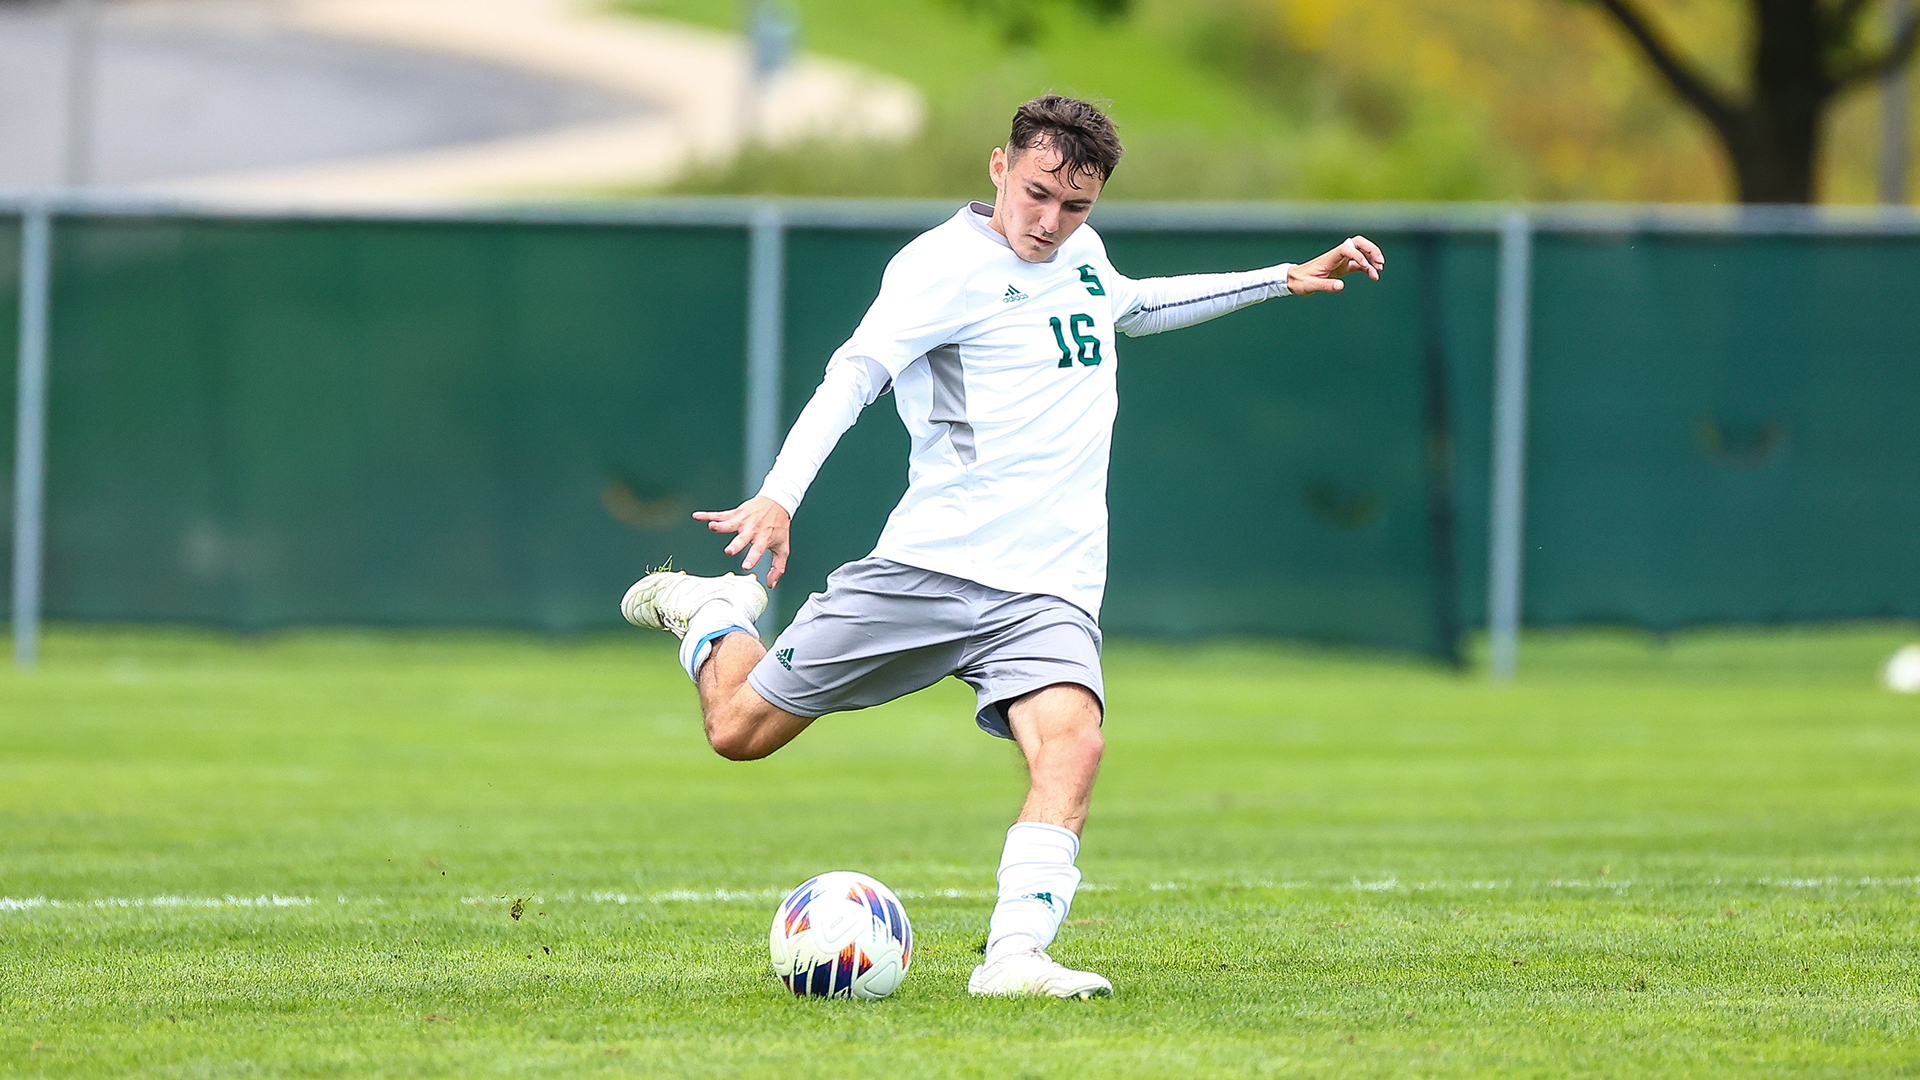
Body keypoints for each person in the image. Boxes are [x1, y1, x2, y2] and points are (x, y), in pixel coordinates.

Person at [622, 94, 1385, 999]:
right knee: (739, 731)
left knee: (1074, 745)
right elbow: (852, 375)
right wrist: (780, 497)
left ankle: (1015, 957)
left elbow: (1130, 307)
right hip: (931, 568)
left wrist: (1278, 277)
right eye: (1036, 196)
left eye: (1076, 207)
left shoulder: (1082, 255)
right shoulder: (938, 268)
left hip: (1049, 587)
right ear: (998, 167)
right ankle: (711, 613)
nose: (1052, 223)